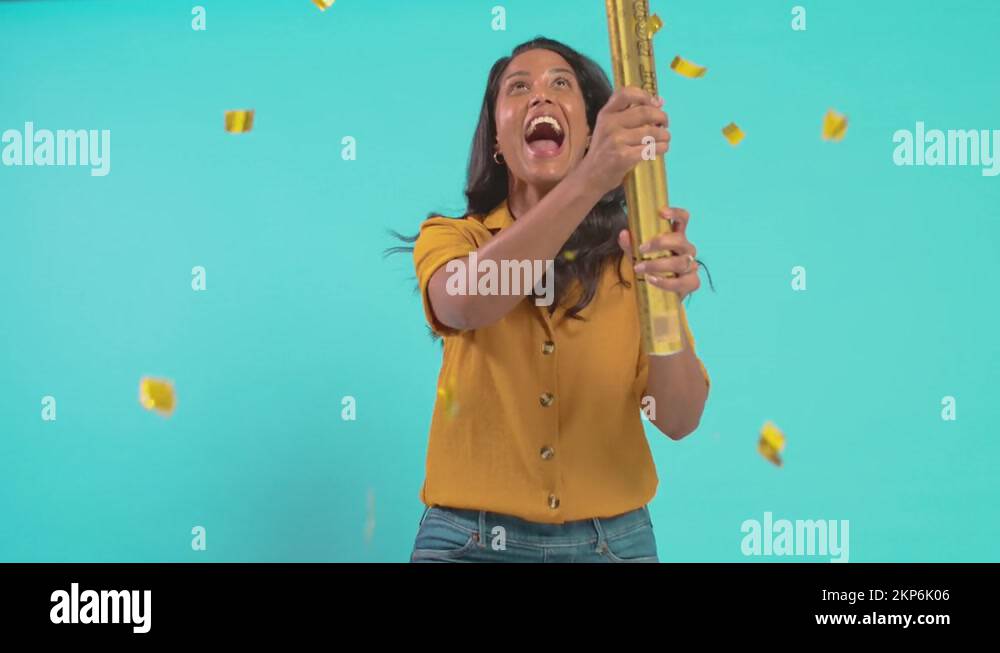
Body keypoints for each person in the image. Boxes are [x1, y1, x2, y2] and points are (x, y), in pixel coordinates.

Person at [402, 37, 710, 562]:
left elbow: (677, 419)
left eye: (561, 84)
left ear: (588, 130)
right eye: (518, 87)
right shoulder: (453, 240)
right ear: (498, 138)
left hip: (613, 545)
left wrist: (664, 303)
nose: (540, 96)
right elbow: (469, 303)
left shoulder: (631, 255)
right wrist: (592, 178)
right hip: (468, 544)